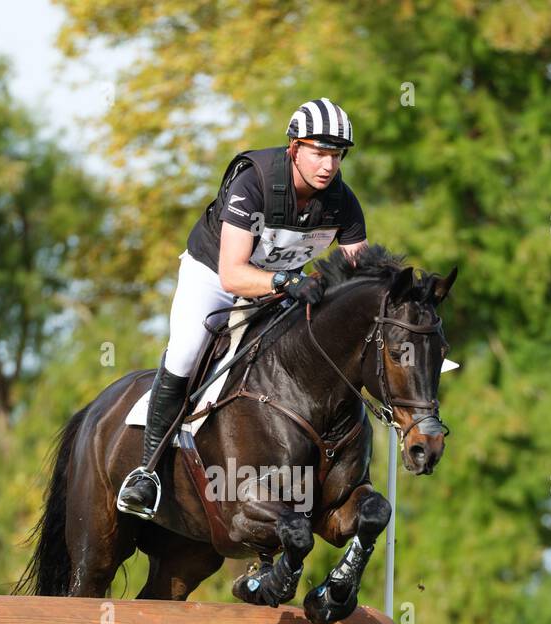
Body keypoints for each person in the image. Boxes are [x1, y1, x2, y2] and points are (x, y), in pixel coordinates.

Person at [116, 97, 369, 518]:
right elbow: (233, 275)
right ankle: (148, 472)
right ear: (294, 149)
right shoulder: (253, 182)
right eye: (319, 152)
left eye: (336, 155)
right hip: (215, 277)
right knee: (185, 350)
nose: (328, 165)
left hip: (280, 289)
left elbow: (360, 277)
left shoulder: (344, 203)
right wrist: (287, 282)